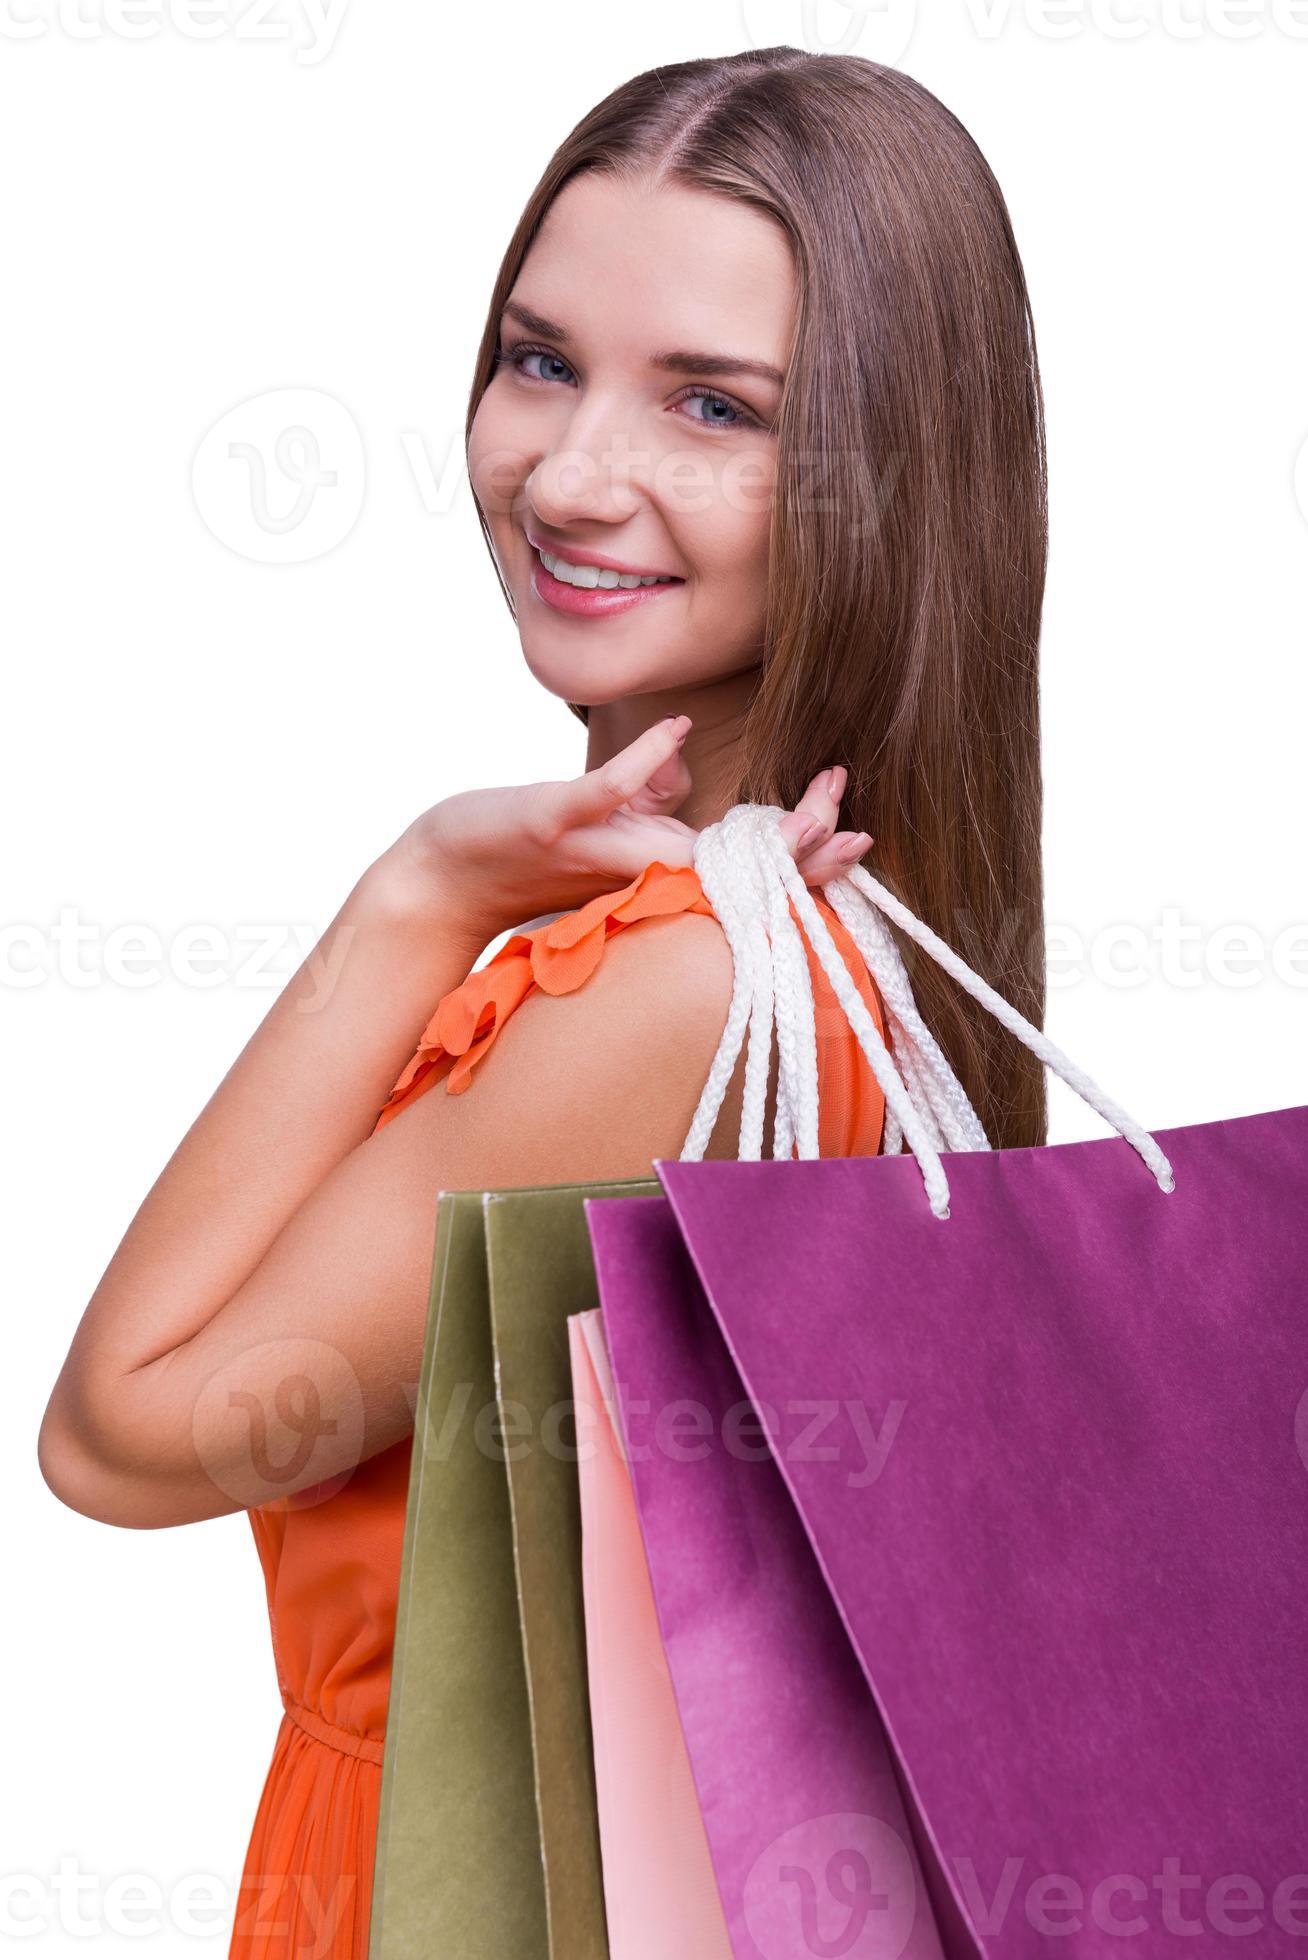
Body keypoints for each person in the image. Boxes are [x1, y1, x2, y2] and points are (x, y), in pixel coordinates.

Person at [36, 44, 1050, 1959]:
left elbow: (120, 1432)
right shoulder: (860, 952)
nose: (572, 473)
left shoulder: (677, 993)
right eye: (540, 358)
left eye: (716, 405)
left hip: (439, 1892)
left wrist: (416, 892)